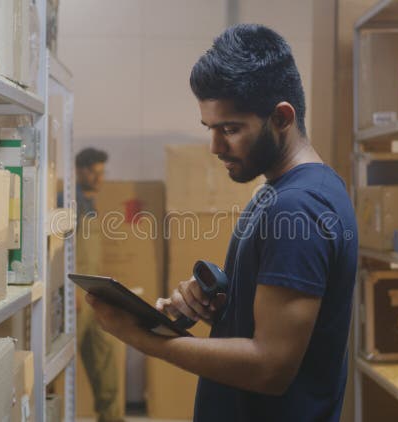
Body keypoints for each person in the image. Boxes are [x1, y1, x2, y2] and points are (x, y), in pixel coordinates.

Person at [86, 24, 358, 421]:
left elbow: (270, 367)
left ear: (282, 117)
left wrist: (142, 339)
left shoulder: (300, 206)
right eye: (210, 129)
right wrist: (223, 309)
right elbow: (278, 324)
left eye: (230, 129)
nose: (215, 146)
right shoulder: (281, 192)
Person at [73, 147, 123, 422]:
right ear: (79, 170)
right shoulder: (70, 202)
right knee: (63, 358)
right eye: (94, 172)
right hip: (75, 298)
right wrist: (69, 293)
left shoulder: (90, 204)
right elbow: (58, 253)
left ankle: (111, 417)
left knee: (104, 358)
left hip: (93, 294)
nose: (99, 178)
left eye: (102, 172)